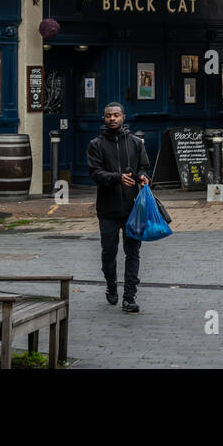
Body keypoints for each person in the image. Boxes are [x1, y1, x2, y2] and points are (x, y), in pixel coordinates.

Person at [87, 102, 150, 313]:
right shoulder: (96, 144)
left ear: (123, 117)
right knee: (109, 252)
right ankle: (111, 284)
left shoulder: (135, 143)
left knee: (133, 252)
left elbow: (144, 167)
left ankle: (129, 297)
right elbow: (95, 173)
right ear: (103, 118)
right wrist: (117, 178)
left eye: (116, 115)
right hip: (108, 209)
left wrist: (143, 177)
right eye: (108, 116)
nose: (112, 119)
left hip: (134, 208)